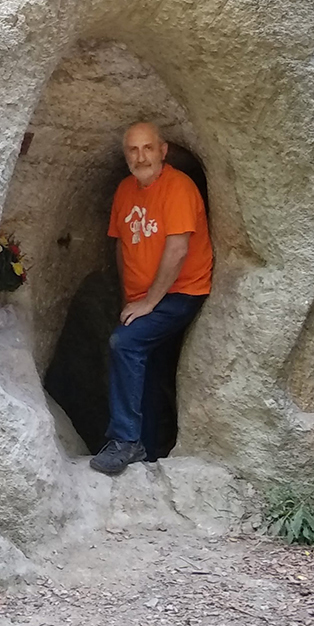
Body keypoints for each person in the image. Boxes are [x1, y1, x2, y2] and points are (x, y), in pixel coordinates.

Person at [90, 122, 214, 475]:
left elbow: (177, 249)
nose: (140, 156)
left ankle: (126, 440)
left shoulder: (177, 187)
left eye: (147, 148)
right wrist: (129, 294)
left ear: (163, 151)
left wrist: (148, 303)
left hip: (180, 292)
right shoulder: (125, 191)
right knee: (148, 365)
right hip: (144, 297)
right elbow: (121, 244)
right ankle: (149, 451)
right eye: (132, 150)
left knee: (124, 344)